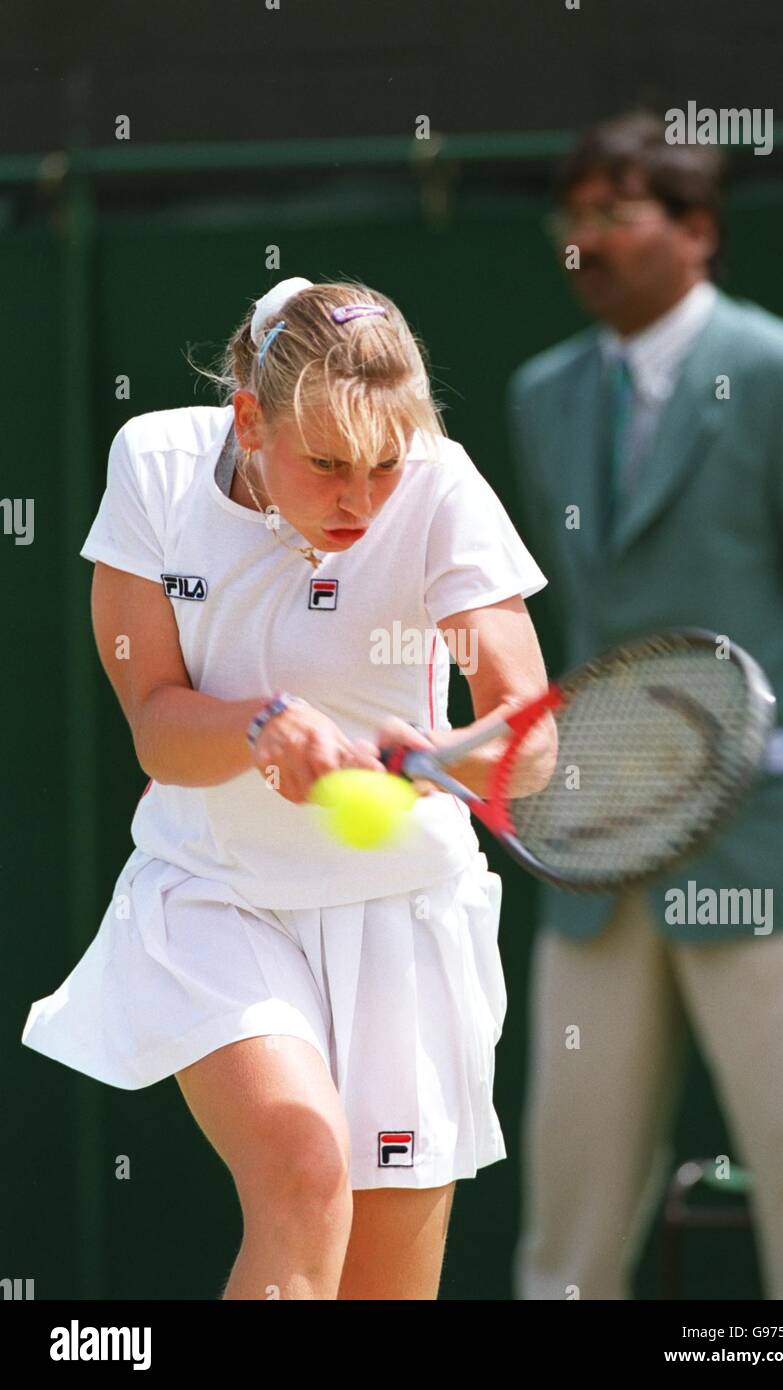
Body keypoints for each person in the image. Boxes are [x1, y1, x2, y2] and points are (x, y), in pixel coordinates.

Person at [21, 275, 552, 1300]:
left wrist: (450, 756)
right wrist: (262, 726)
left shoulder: (442, 485)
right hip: (214, 893)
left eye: (387, 463)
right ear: (250, 419)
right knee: (304, 1173)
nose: (363, 498)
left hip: (402, 910)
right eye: (329, 464)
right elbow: (159, 728)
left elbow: (526, 728)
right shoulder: (156, 467)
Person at [507, 112, 783, 1300]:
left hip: (775, 836)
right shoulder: (542, 395)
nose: (584, 239)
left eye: (616, 213)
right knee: (570, 1208)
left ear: (697, 232)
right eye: (573, 215)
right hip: (602, 856)